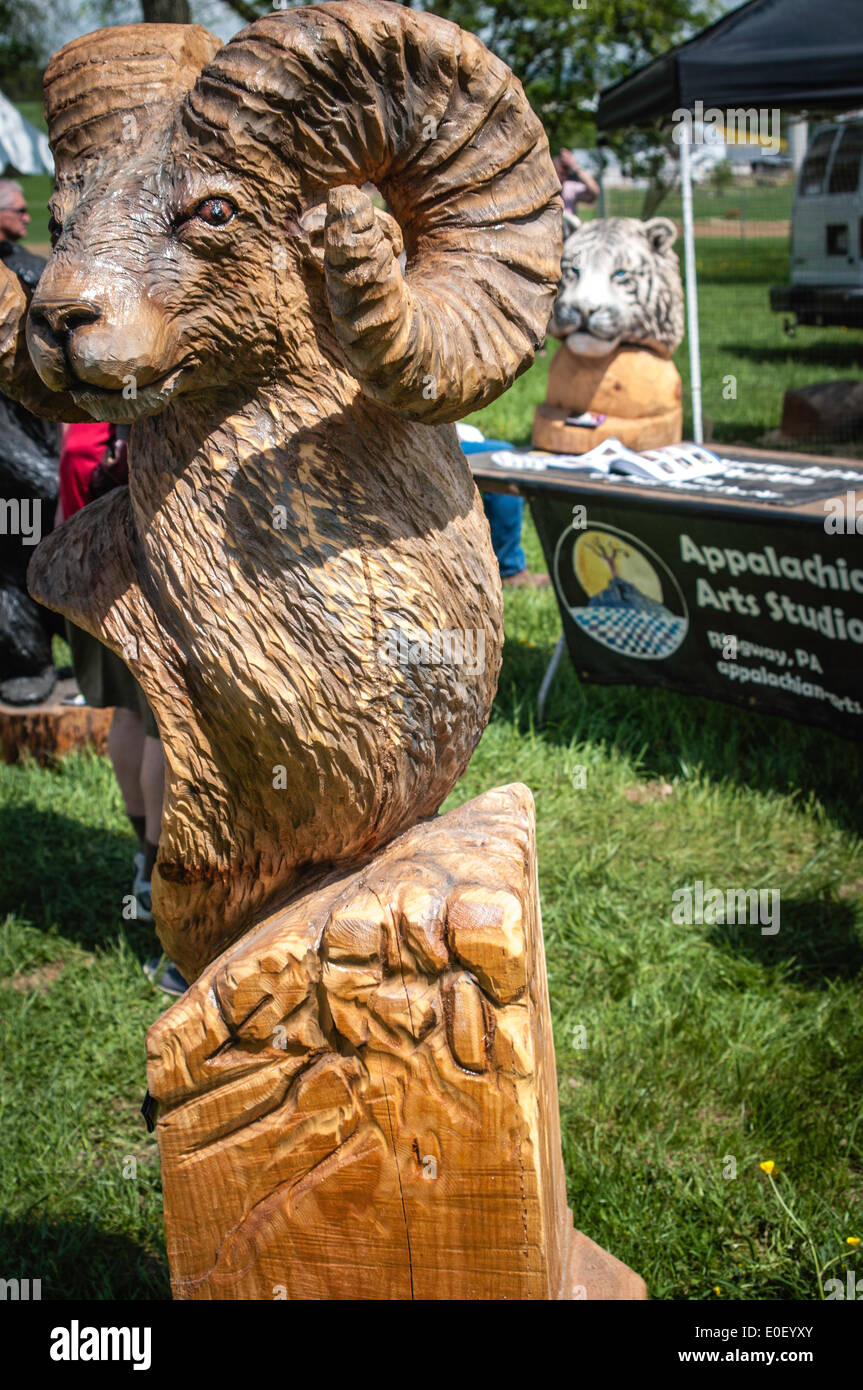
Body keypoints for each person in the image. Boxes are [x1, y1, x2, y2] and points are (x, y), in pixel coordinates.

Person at [58, 422, 185, 997]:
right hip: (148, 549)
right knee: (171, 727)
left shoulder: (83, 363)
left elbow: (77, 451)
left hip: (83, 544)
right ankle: (174, 908)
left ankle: (147, 870)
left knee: (133, 716)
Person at [0, 179, 62, 705]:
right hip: (10, 452)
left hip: (38, 429)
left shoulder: (28, 265)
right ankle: (25, 660)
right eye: (18, 209)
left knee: (42, 538)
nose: (28, 215)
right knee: (14, 549)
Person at [553, 148, 599, 216]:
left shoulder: (569, 187)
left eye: (565, 174)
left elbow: (595, 191)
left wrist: (574, 166)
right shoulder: (544, 189)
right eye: (560, 173)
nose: (563, 177)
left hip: (568, 225)